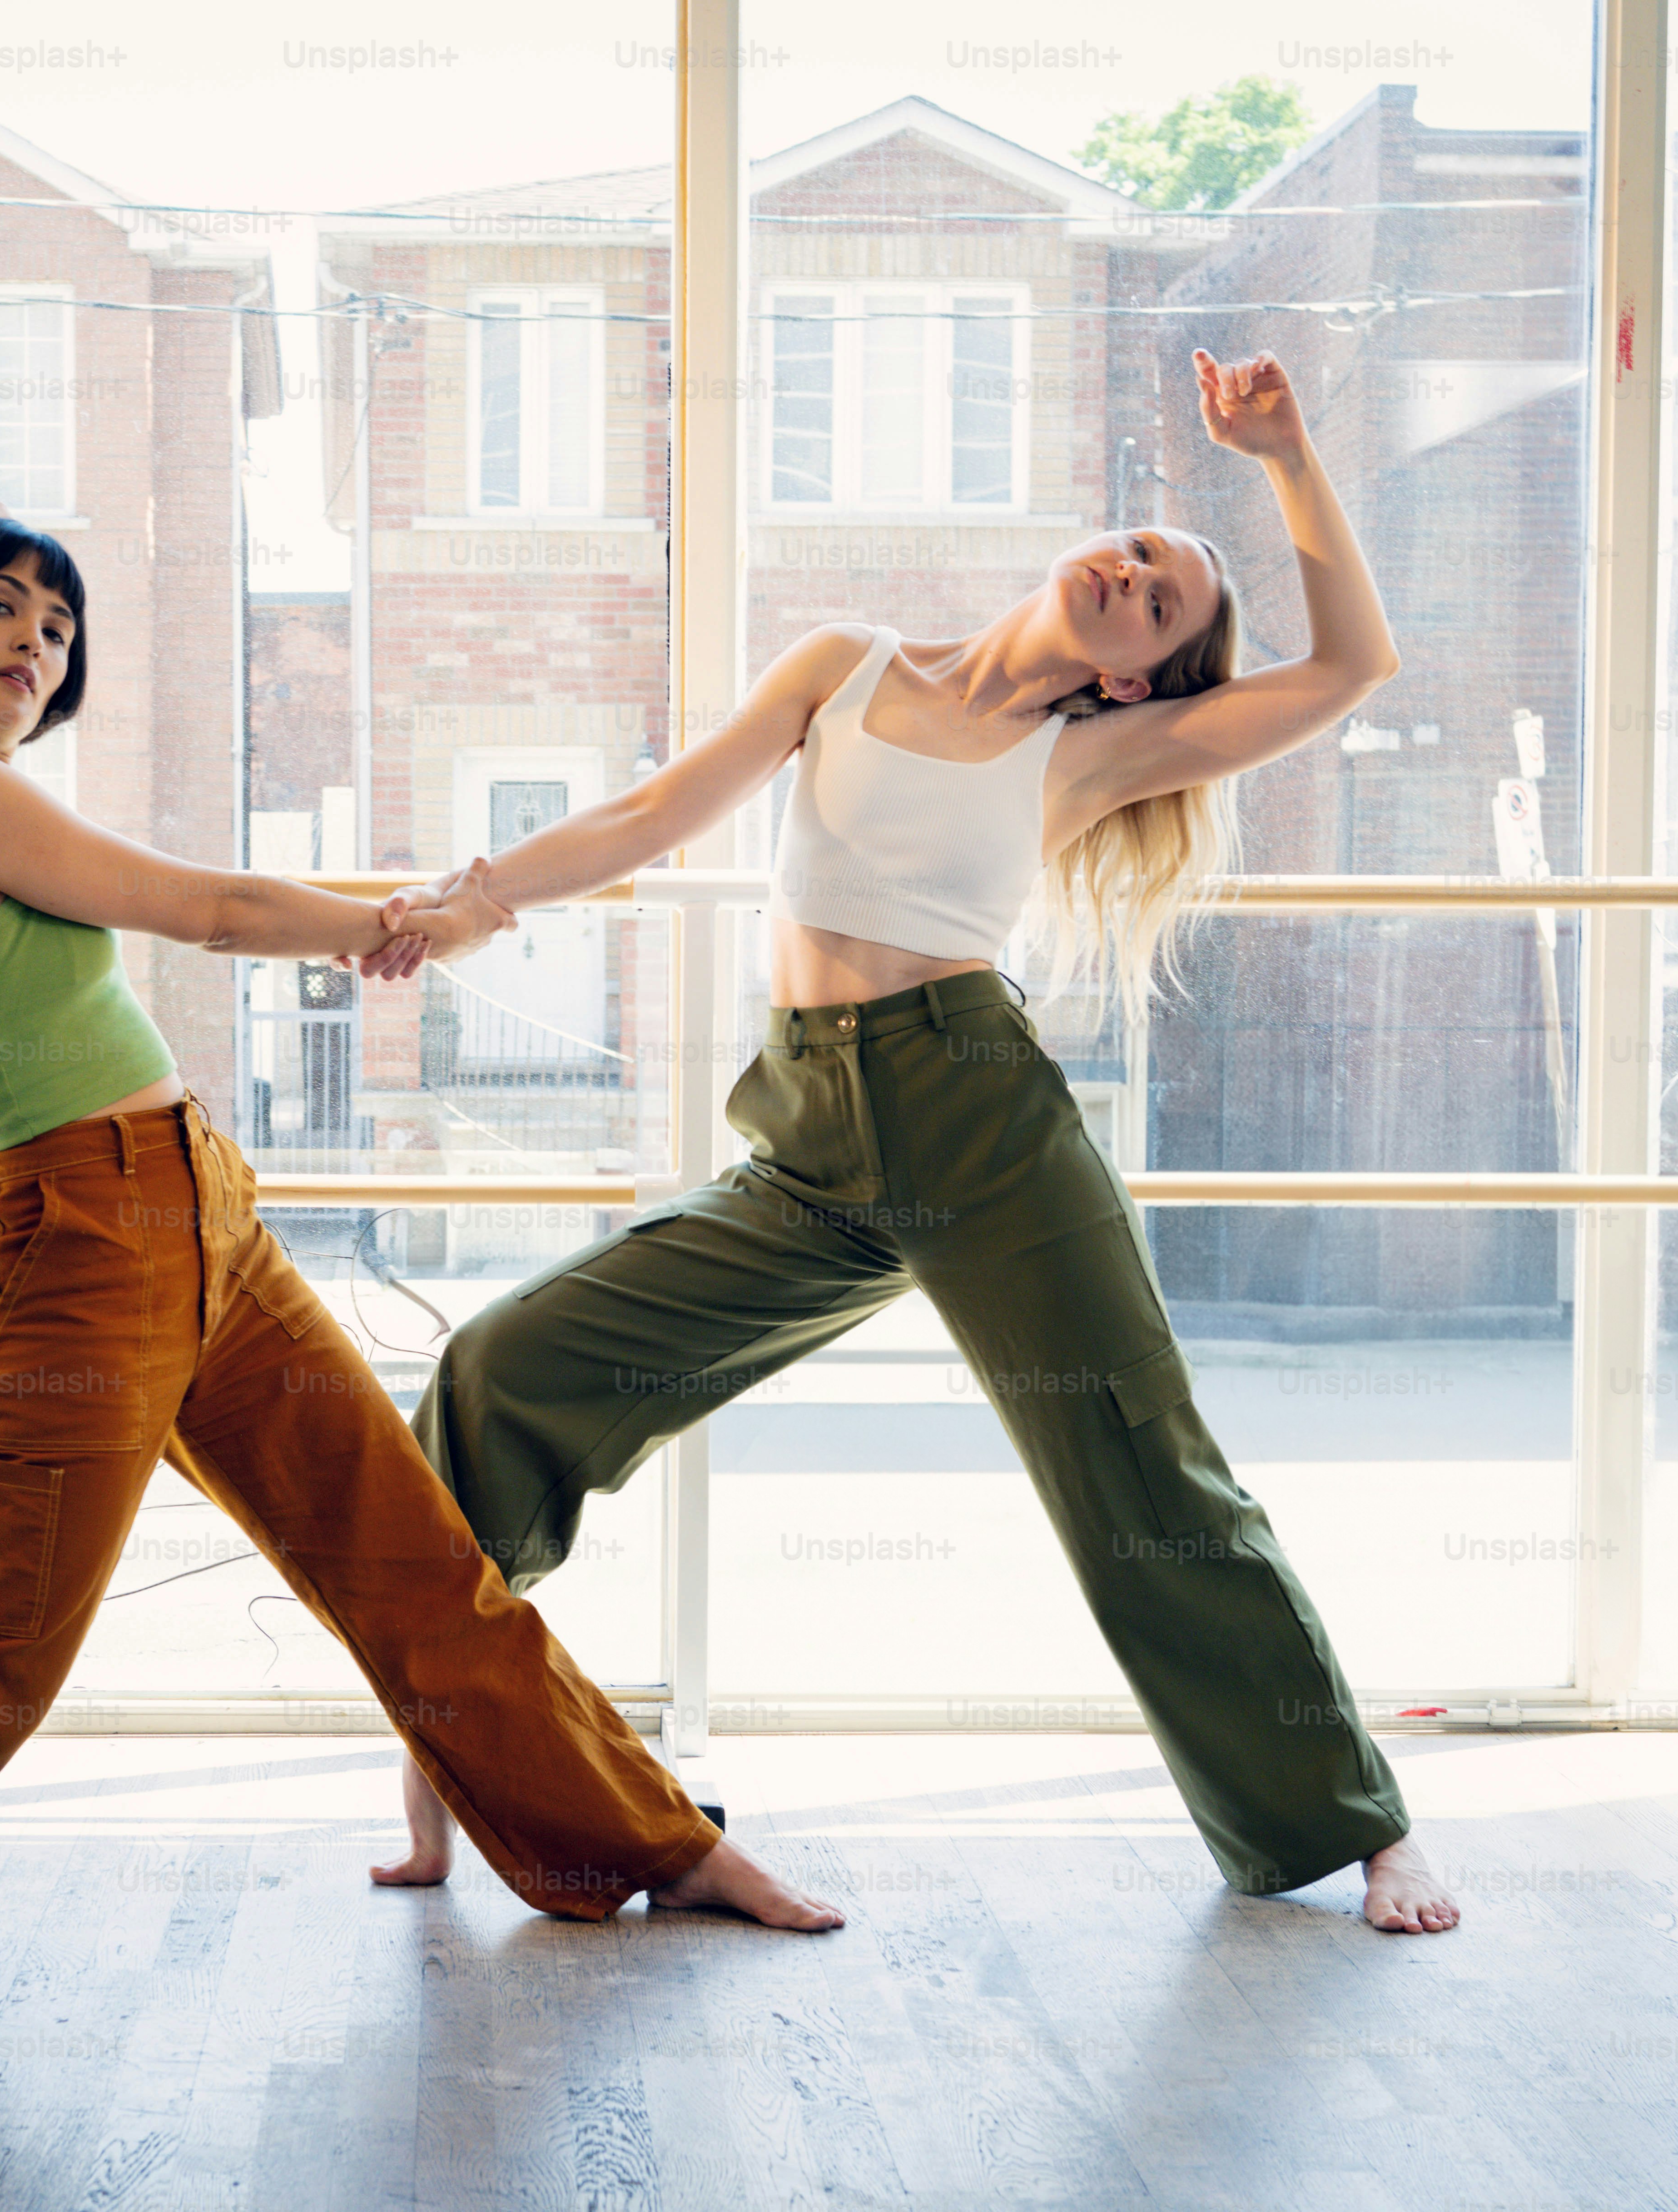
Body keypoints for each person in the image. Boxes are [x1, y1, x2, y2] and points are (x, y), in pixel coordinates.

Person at [0, 506, 841, 1959]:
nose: (37, 647)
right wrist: (391, 926)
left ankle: (663, 1845)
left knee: (414, 1560)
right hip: (83, 1243)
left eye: (59, 628)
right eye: (1, 610)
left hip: (196, 1211)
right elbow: (213, 909)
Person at [367, 349, 1462, 1934]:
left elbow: (1353, 664)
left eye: (1163, 605)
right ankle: (449, 1755)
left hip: (980, 1124)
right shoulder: (846, 664)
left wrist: (1287, 456)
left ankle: (1362, 1826)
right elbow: (654, 814)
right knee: (501, 1365)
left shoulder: (1093, 757)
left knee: (1141, 1466)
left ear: (1143, 682)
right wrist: (479, 900)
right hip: (811, 1135)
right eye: (1144, 549)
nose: (1137, 576)